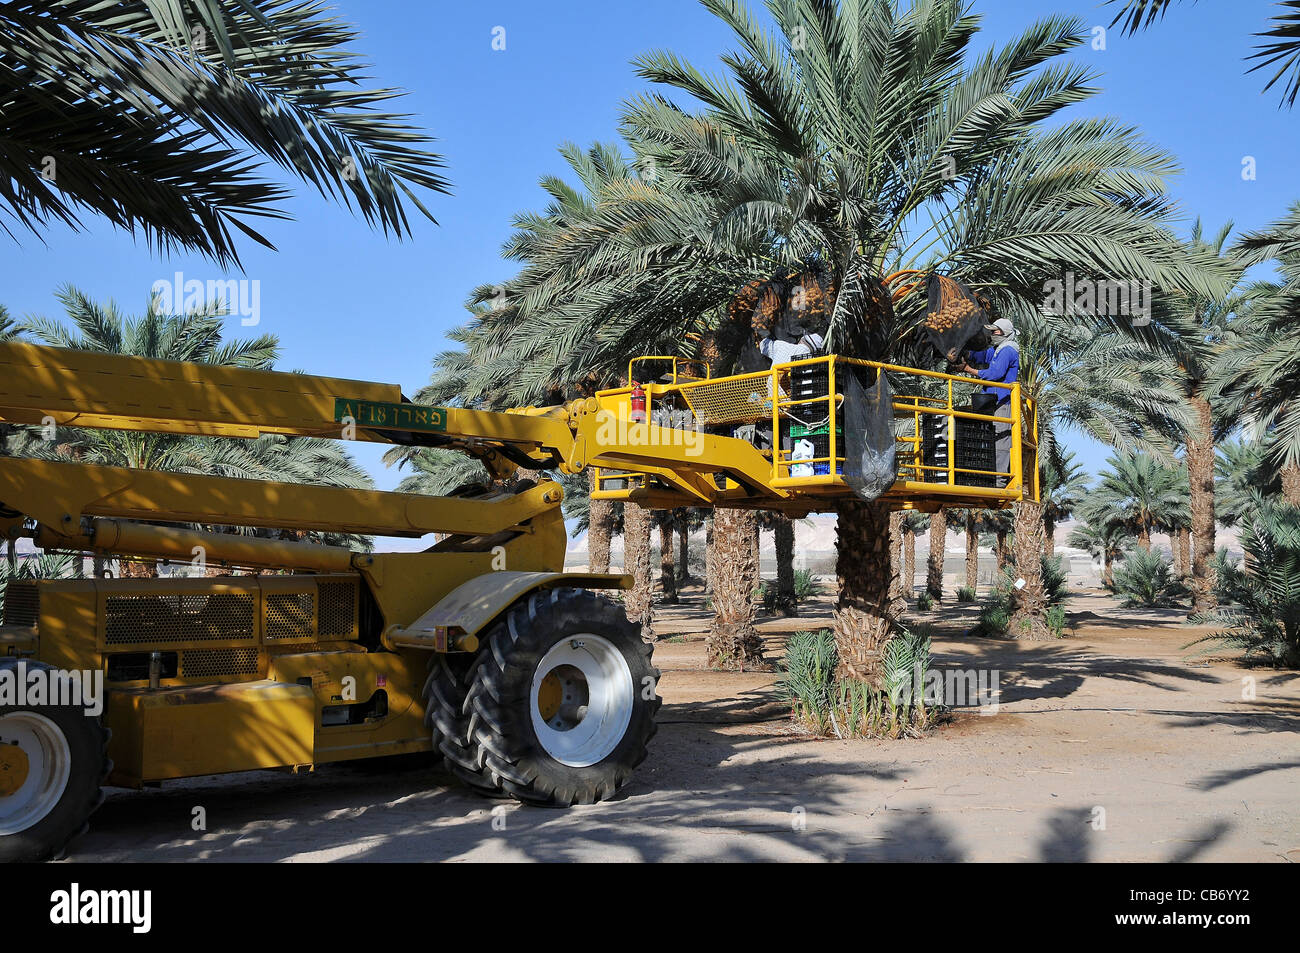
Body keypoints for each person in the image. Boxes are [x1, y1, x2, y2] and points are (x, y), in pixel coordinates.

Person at [959, 317, 1019, 486]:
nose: (992, 334)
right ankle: (987, 476)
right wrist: (967, 354)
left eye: (995, 331)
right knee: (989, 438)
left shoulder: (1008, 350)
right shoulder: (998, 348)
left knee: (1001, 440)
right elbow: (984, 355)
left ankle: (999, 481)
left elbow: (995, 374)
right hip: (991, 402)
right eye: (991, 331)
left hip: (1002, 403)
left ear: (1005, 333)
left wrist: (969, 370)